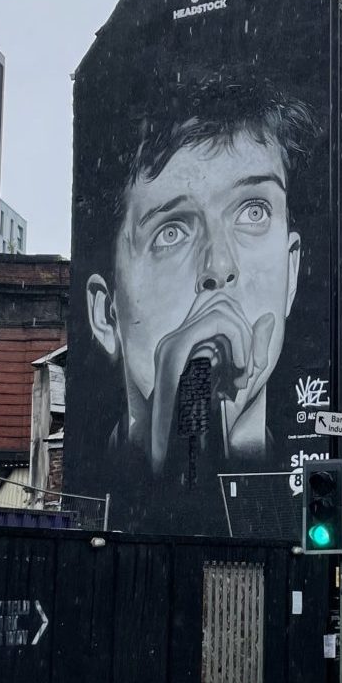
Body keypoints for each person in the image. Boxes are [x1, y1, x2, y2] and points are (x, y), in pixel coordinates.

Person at [83, 83, 316, 505]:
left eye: (253, 211)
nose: (219, 267)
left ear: (292, 271)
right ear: (106, 313)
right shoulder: (98, 488)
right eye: (170, 232)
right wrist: (178, 439)